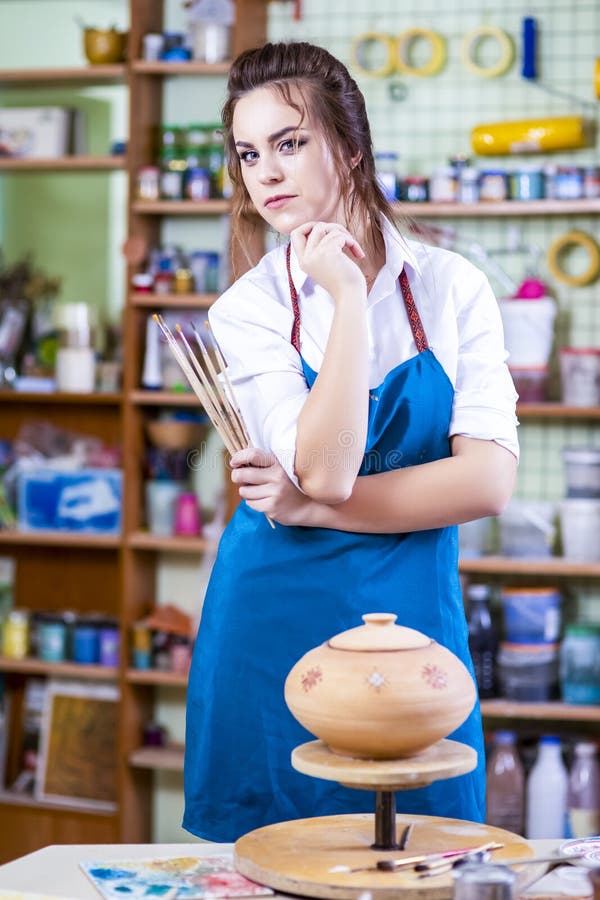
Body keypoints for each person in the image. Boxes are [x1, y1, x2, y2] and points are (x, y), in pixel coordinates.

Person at [183, 40, 518, 842]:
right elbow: (326, 466)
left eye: (290, 143)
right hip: (272, 621)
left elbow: (485, 484)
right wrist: (339, 293)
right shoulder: (247, 310)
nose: (265, 172)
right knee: (269, 864)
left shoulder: (450, 287)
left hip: (413, 623)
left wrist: (315, 510)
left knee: (427, 854)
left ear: (353, 147)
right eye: (249, 153)